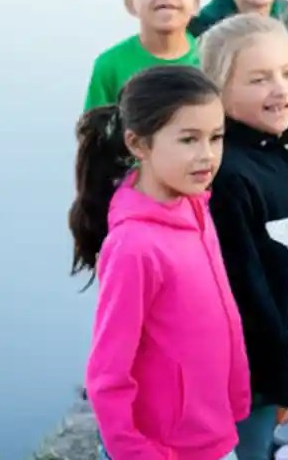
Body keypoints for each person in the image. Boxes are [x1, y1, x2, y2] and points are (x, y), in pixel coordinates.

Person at [71, 65, 250, 460]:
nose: (207, 155)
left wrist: (236, 398)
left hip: (215, 432)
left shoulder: (195, 206)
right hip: (166, 449)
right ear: (138, 144)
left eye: (216, 138)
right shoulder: (133, 246)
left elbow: (221, 316)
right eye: (188, 139)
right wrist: (134, 452)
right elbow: (107, 373)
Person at [200, 15, 288, 460]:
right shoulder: (224, 175)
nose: (280, 89)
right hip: (253, 363)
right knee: (250, 446)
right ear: (218, 91)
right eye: (259, 79)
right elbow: (243, 284)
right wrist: (282, 373)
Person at [83, 0, 202, 110]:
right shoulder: (110, 65)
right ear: (130, 4)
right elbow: (93, 132)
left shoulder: (214, 59)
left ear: (196, 4)